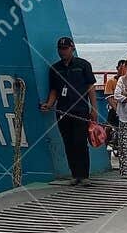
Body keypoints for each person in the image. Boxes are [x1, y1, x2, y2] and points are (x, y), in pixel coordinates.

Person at [40, 35, 97, 186]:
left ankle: (84, 175)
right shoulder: (54, 69)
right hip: (63, 112)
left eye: (65, 48)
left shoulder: (83, 65)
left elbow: (90, 87)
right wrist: (49, 104)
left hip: (80, 110)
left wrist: (94, 108)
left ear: (72, 48)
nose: (62, 52)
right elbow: (54, 90)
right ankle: (75, 175)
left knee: (80, 142)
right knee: (68, 143)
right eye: (60, 49)